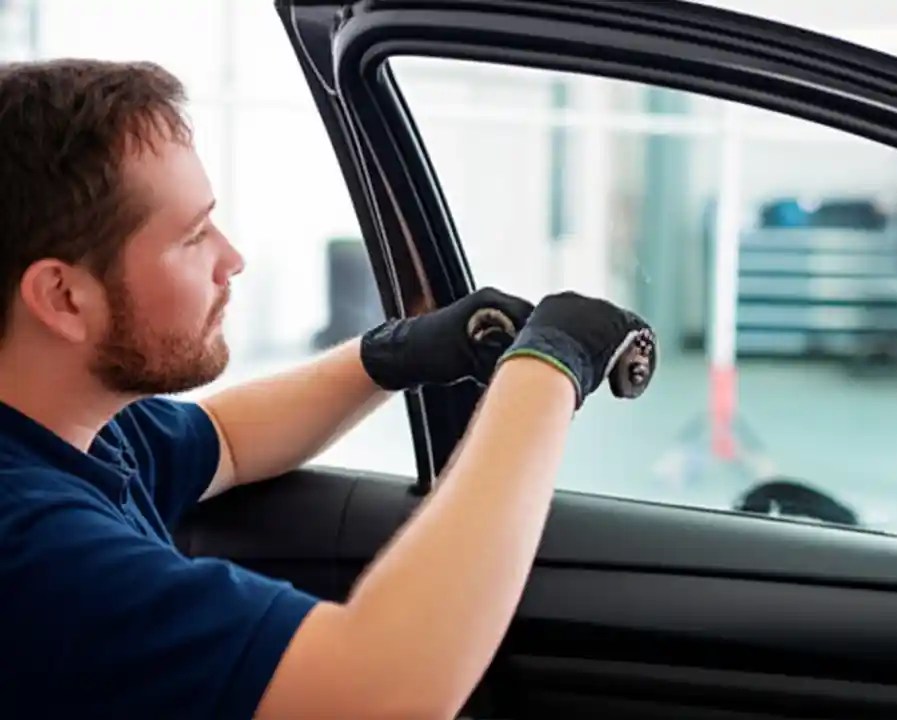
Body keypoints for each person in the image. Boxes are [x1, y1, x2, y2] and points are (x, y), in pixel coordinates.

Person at [0, 59, 653, 719]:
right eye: (193, 237)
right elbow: (383, 691)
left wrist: (394, 354)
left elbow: (226, 438)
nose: (231, 259)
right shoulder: (31, 547)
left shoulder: (72, 427)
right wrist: (548, 368)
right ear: (62, 296)